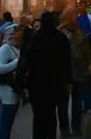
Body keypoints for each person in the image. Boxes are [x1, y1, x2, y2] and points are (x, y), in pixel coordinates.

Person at [26, 11, 72, 139]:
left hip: (36, 84)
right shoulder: (61, 38)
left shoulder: (36, 37)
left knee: (38, 118)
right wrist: (68, 81)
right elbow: (67, 62)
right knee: (51, 115)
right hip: (54, 84)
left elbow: (28, 59)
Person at [58, 7, 91, 138]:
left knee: (77, 103)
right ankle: (64, 129)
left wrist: (90, 63)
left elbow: (86, 49)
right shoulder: (60, 33)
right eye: (73, 15)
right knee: (63, 103)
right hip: (65, 74)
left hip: (79, 72)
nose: (76, 17)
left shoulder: (79, 32)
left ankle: (76, 127)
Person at [0, 24, 22, 139]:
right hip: (7, 91)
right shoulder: (5, 48)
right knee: (5, 125)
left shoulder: (17, 48)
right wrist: (17, 62)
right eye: (18, 32)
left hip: (15, 89)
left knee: (9, 124)